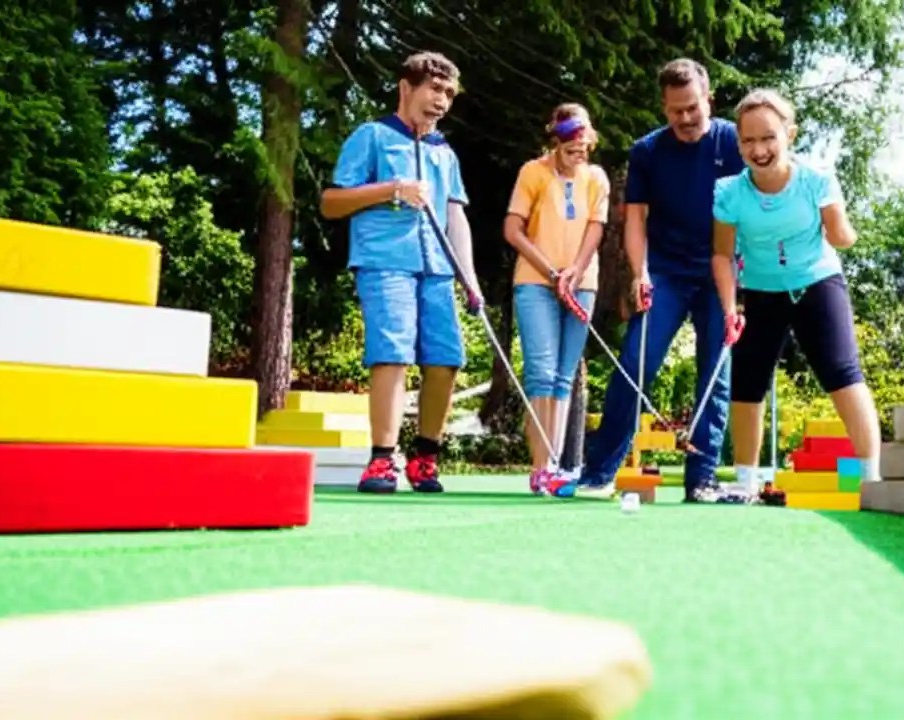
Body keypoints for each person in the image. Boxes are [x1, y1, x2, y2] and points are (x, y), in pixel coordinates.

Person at [575, 58, 746, 503]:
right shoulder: (647, 151)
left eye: (692, 108)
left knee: (716, 373)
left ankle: (702, 480)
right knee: (635, 363)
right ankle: (599, 473)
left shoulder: (734, 141)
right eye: (675, 111)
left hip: (718, 271)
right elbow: (635, 218)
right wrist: (640, 273)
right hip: (666, 272)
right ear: (664, 108)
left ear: (709, 99)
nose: (685, 119)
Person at [320, 51, 484, 495]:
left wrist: (469, 277)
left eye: (449, 94)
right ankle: (381, 460)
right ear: (406, 87)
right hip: (384, 260)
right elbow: (331, 202)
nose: (442, 101)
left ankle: (425, 458)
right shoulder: (372, 136)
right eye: (435, 89)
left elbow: (456, 217)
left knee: (447, 358)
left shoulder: (444, 153)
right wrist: (394, 190)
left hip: (436, 267)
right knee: (392, 352)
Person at [711, 88, 883, 496]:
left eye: (769, 137)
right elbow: (721, 256)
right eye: (749, 140)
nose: (759, 148)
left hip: (818, 284)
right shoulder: (729, 192)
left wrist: (841, 228)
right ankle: (745, 483)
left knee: (842, 373)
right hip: (760, 291)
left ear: (790, 133)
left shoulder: (817, 180)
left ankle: (872, 480)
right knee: (748, 382)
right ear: (739, 145)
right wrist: (729, 306)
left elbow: (842, 238)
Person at [503, 103, 609, 498]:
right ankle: (540, 466)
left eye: (583, 149)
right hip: (535, 282)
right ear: (556, 142)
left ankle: (557, 466)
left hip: (582, 283)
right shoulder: (534, 172)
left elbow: (595, 230)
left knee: (564, 375)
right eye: (569, 150)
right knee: (541, 372)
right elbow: (513, 230)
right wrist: (551, 273)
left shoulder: (596, 178)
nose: (577, 156)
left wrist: (574, 273)